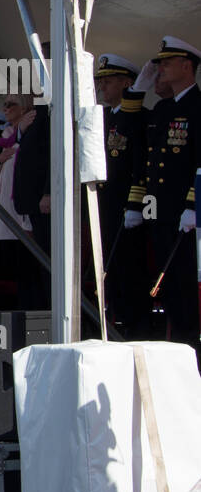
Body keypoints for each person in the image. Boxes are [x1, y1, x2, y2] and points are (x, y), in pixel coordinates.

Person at [129, 36, 201, 354]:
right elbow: (130, 135)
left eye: (167, 63)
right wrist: (136, 92)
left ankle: (190, 349)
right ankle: (177, 350)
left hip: (187, 217)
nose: (160, 69)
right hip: (159, 213)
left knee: (186, 288)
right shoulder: (161, 108)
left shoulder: (198, 106)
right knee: (167, 286)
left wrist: (193, 205)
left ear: (187, 66)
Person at [95, 54, 149, 338]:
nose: (102, 85)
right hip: (105, 207)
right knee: (111, 272)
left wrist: (135, 204)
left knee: (131, 271)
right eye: (101, 80)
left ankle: (135, 328)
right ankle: (116, 325)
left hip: (127, 207)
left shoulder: (138, 118)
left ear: (127, 83)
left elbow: (141, 163)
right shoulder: (104, 118)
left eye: (110, 80)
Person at [0, 93, 33, 308]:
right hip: (4, 213)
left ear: (24, 109)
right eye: (4, 105)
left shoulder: (28, 134)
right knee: (5, 270)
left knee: (25, 270)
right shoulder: (6, 135)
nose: (5, 108)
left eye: (11, 104)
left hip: (21, 215)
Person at [11, 95, 51, 309]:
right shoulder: (37, 115)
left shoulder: (53, 112)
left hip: (44, 203)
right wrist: (19, 131)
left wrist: (49, 192)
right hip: (31, 202)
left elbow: (55, 155)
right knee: (38, 265)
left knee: (48, 263)